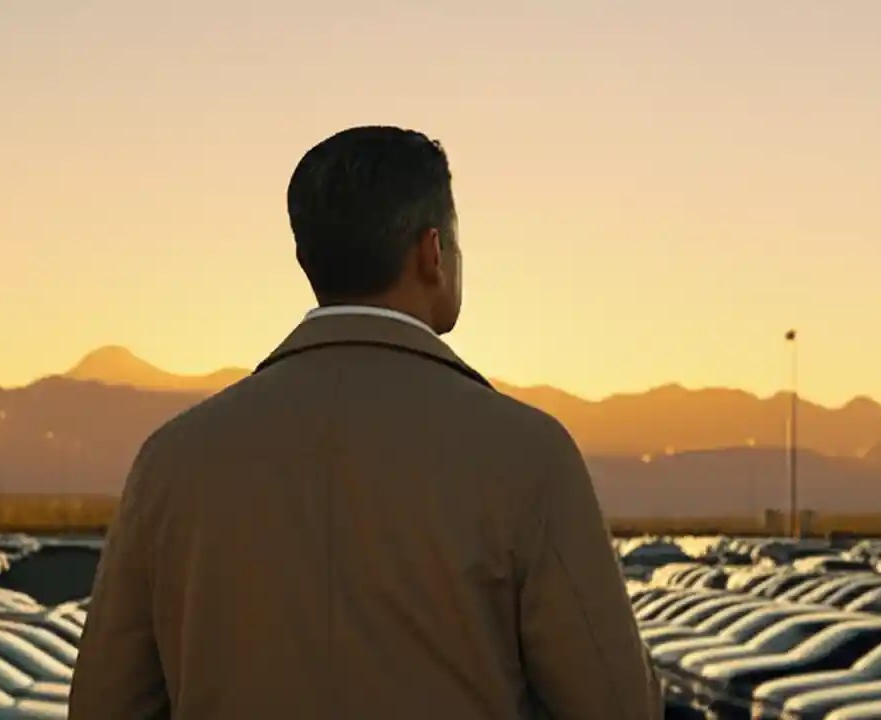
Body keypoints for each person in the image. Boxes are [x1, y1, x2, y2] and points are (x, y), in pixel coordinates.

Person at [69, 126, 661, 719]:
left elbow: (104, 705)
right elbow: (617, 706)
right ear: (433, 253)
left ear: (308, 259)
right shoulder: (528, 454)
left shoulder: (172, 462)